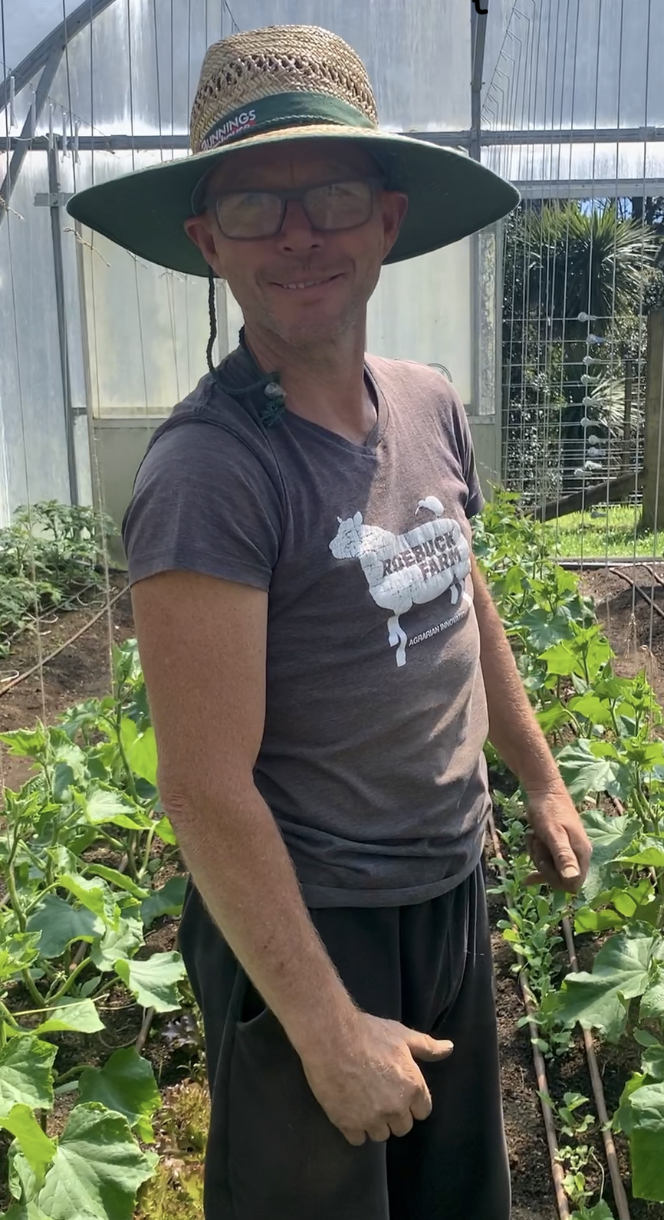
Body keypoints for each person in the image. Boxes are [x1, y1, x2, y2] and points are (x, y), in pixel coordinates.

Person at [68, 23, 592, 1220]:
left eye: (334, 195)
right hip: (309, 917)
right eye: (256, 205)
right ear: (209, 242)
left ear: (388, 220)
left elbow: (464, 593)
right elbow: (201, 785)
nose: (300, 234)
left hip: (448, 886)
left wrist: (540, 776)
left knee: (449, 1197)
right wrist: (321, 1023)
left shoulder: (427, 400)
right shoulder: (211, 470)